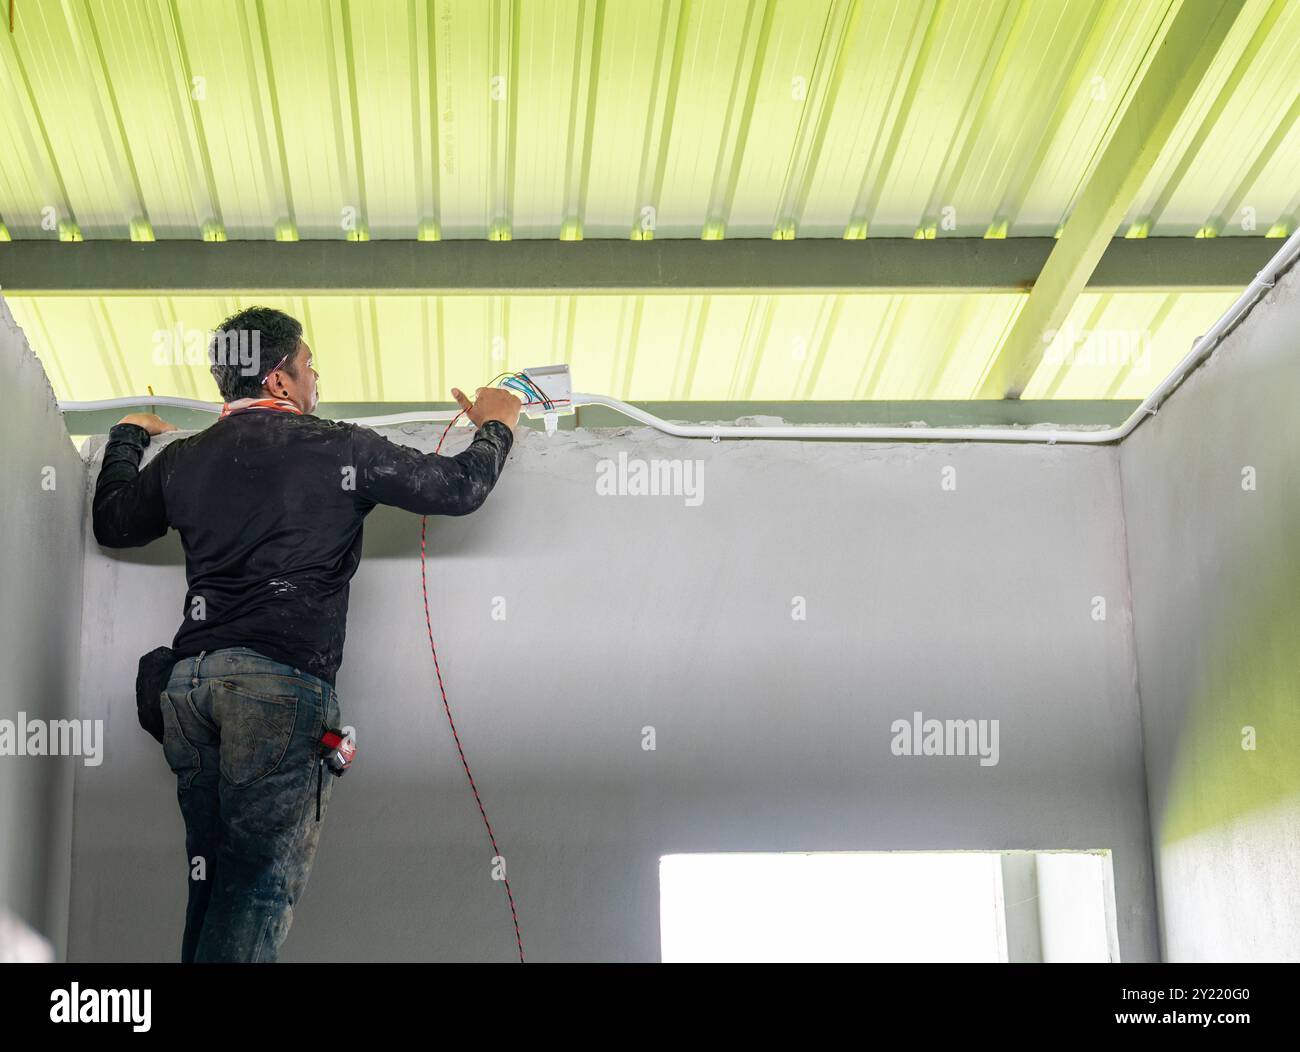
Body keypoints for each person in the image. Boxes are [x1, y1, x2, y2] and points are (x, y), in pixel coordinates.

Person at [91, 305, 521, 962]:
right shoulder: (337, 446)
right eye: (309, 365)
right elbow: (458, 488)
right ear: (279, 381)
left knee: (212, 885)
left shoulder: (186, 459)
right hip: (276, 690)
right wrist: (497, 422)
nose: (316, 378)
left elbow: (114, 523)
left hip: (189, 690)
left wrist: (125, 435)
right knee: (259, 888)